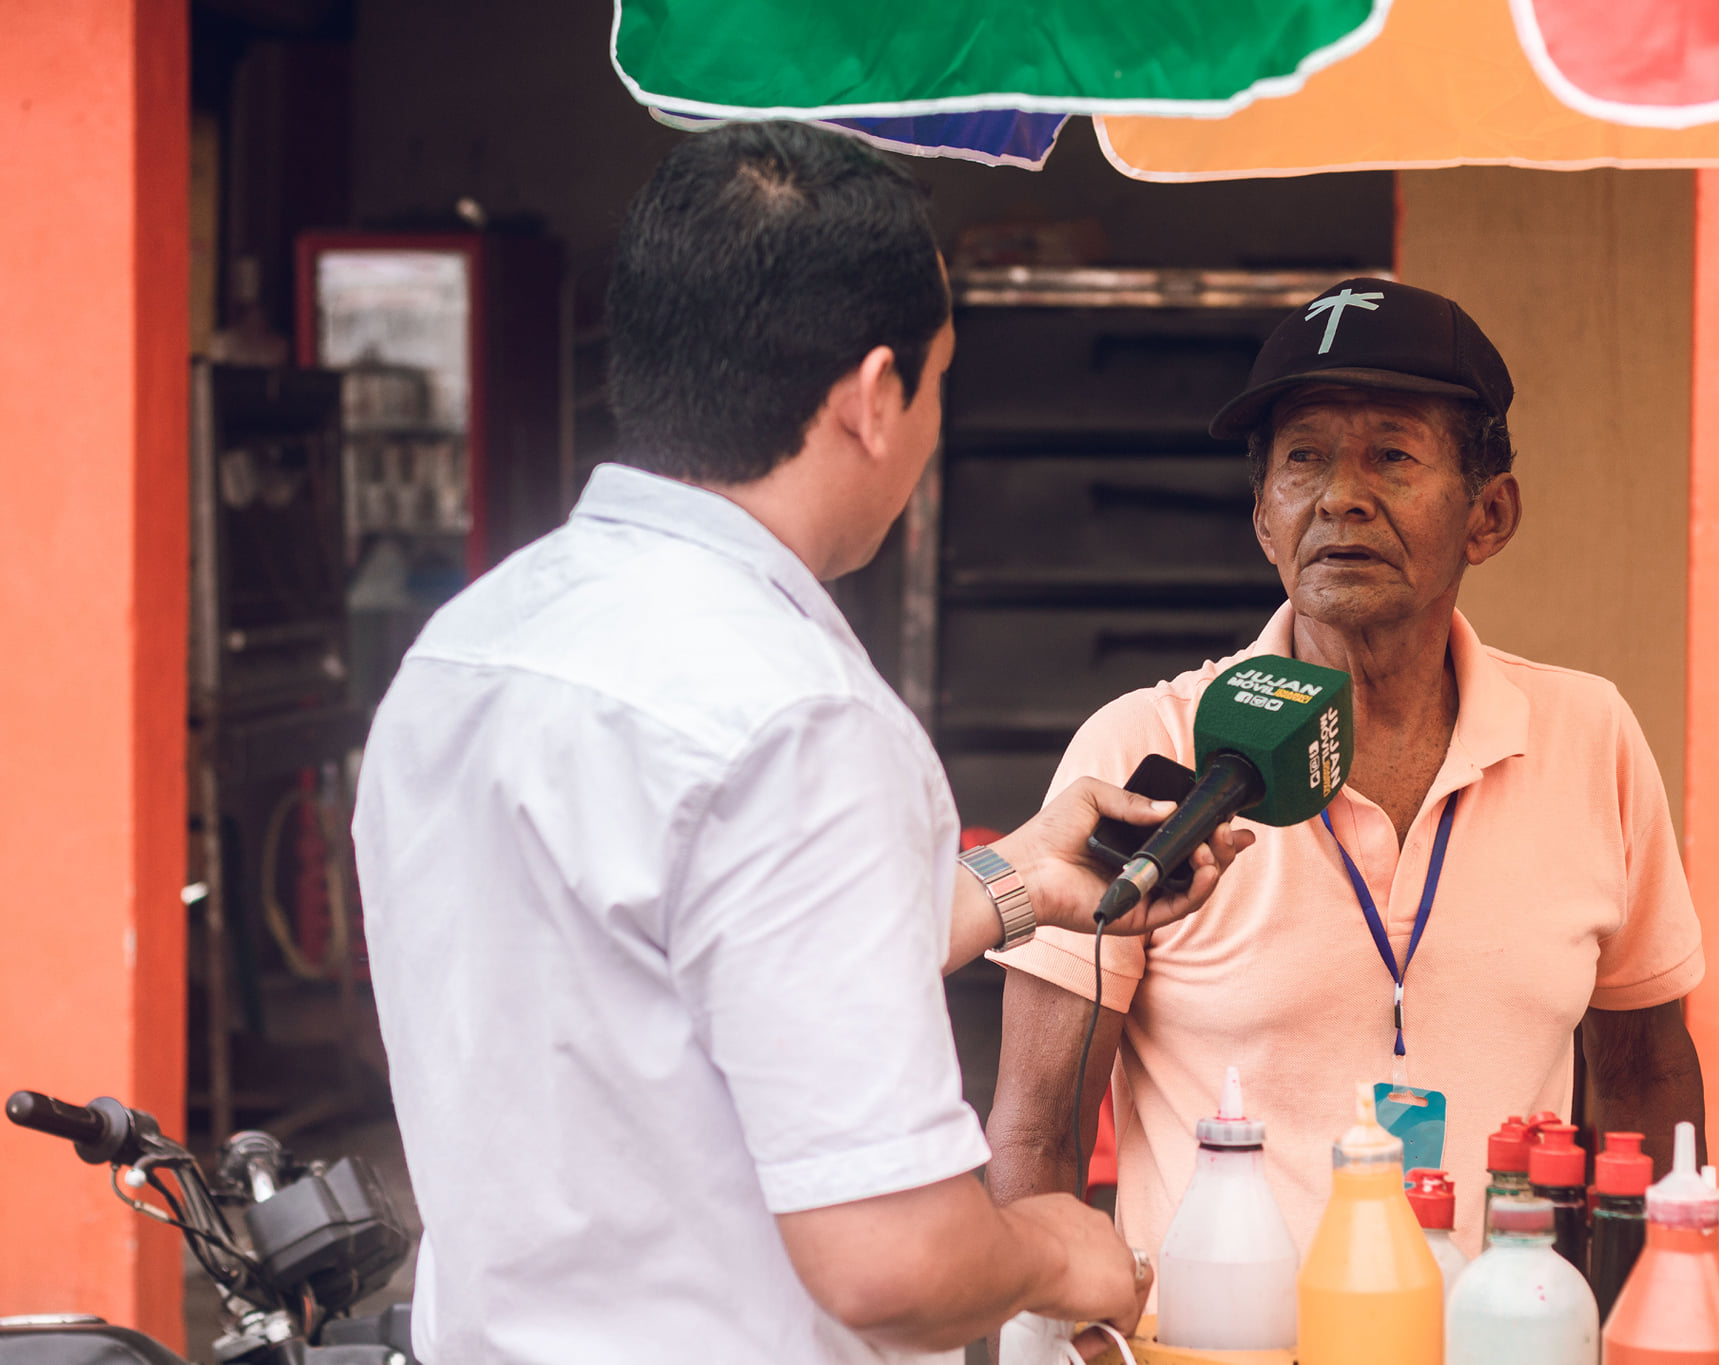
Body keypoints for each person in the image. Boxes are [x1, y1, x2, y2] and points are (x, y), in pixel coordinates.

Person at [351, 122, 1246, 1365]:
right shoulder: (798, 717)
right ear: (874, 398)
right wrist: (1058, 1245)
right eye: (939, 380)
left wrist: (1018, 883)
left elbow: (663, 969)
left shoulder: (469, 648)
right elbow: (894, 1262)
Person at [985, 279, 1708, 1267]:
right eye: (1304, 459)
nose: (1339, 496)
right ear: (1263, 522)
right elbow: (1035, 1134)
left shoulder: (1590, 738)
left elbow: (1643, 1078)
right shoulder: (1142, 753)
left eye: (1392, 456)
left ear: (1487, 515)